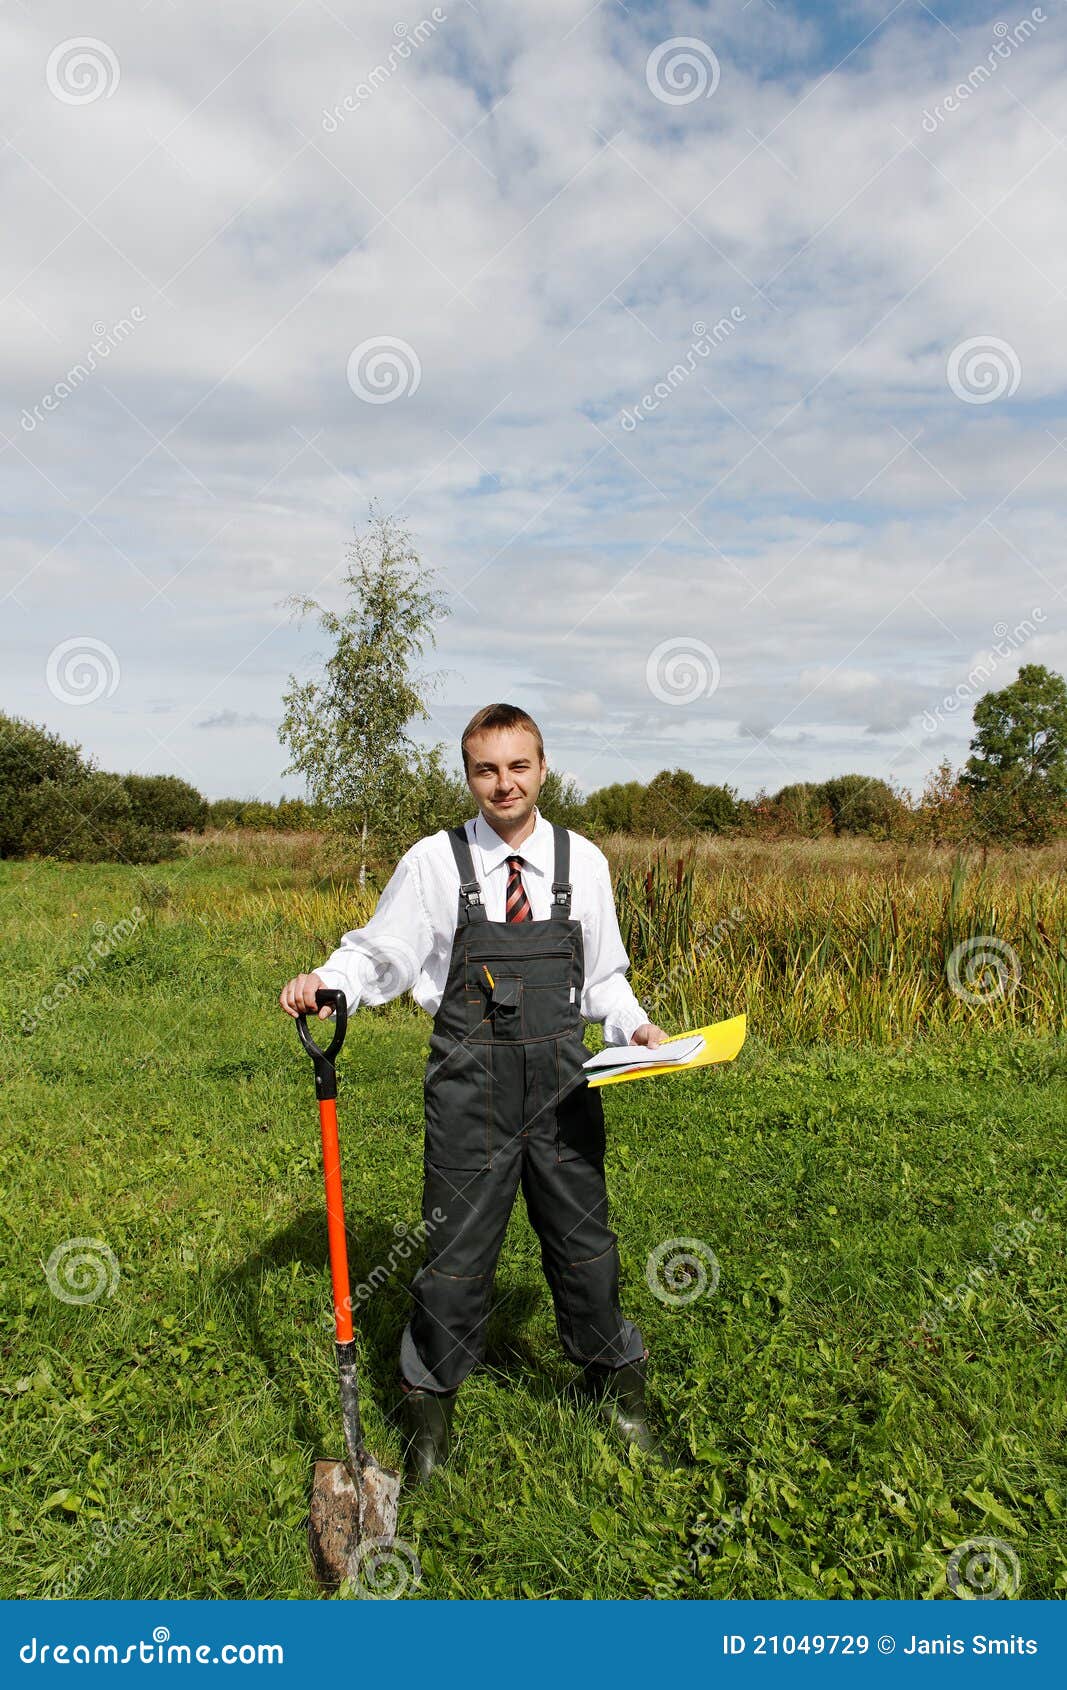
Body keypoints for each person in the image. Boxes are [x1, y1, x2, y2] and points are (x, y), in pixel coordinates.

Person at [280, 702, 668, 1480]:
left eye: (517, 766)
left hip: (562, 1087)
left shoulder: (580, 861)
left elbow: (604, 981)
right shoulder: (433, 860)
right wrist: (332, 982)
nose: (503, 783)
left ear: (541, 768)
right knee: (454, 1257)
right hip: (469, 1089)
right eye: (485, 769)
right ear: (468, 775)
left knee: (585, 1248)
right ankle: (430, 1417)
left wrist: (637, 1029)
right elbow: (383, 951)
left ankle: (616, 1388)